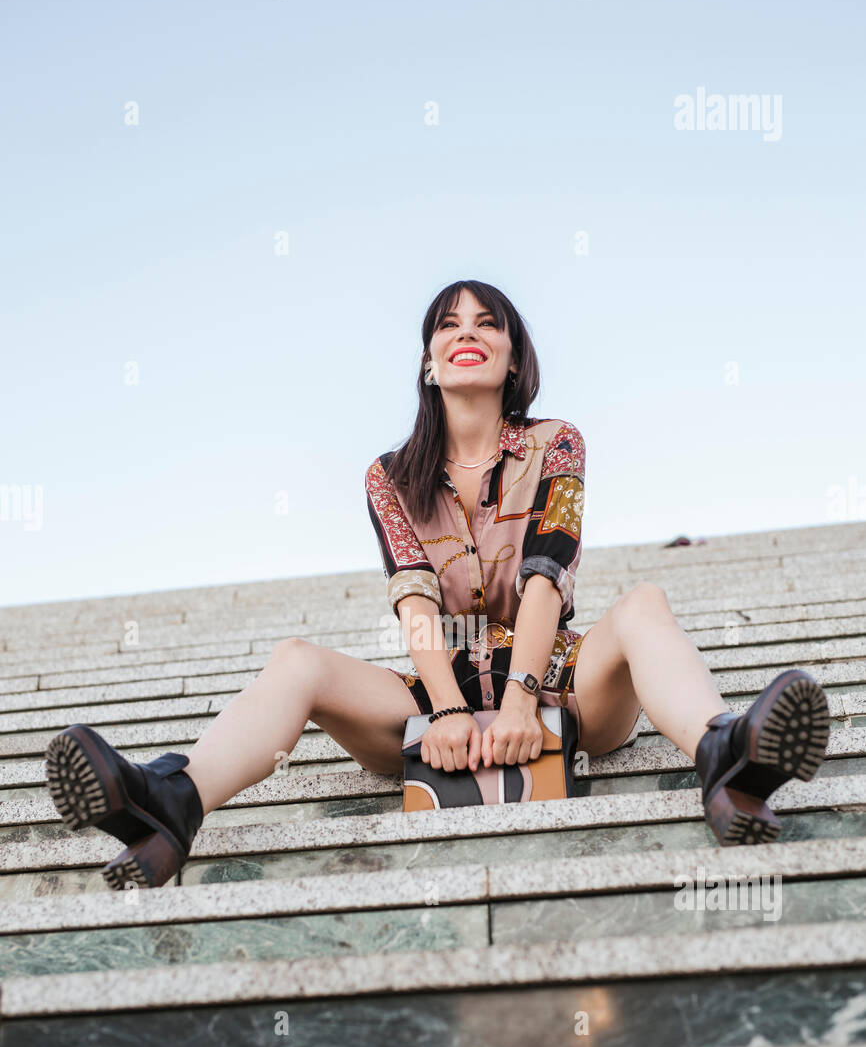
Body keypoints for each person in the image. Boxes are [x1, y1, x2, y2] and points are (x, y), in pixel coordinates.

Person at [45, 279, 830, 889]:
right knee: (297, 660)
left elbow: (547, 574)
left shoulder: (557, 444)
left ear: (514, 358)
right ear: (428, 360)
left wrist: (521, 698)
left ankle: (726, 757)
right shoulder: (390, 477)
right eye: (448, 324)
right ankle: (169, 807)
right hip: (433, 697)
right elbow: (413, 596)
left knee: (645, 605)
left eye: (488, 323)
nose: (467, 334)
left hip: (558, 682)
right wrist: (450, 710)